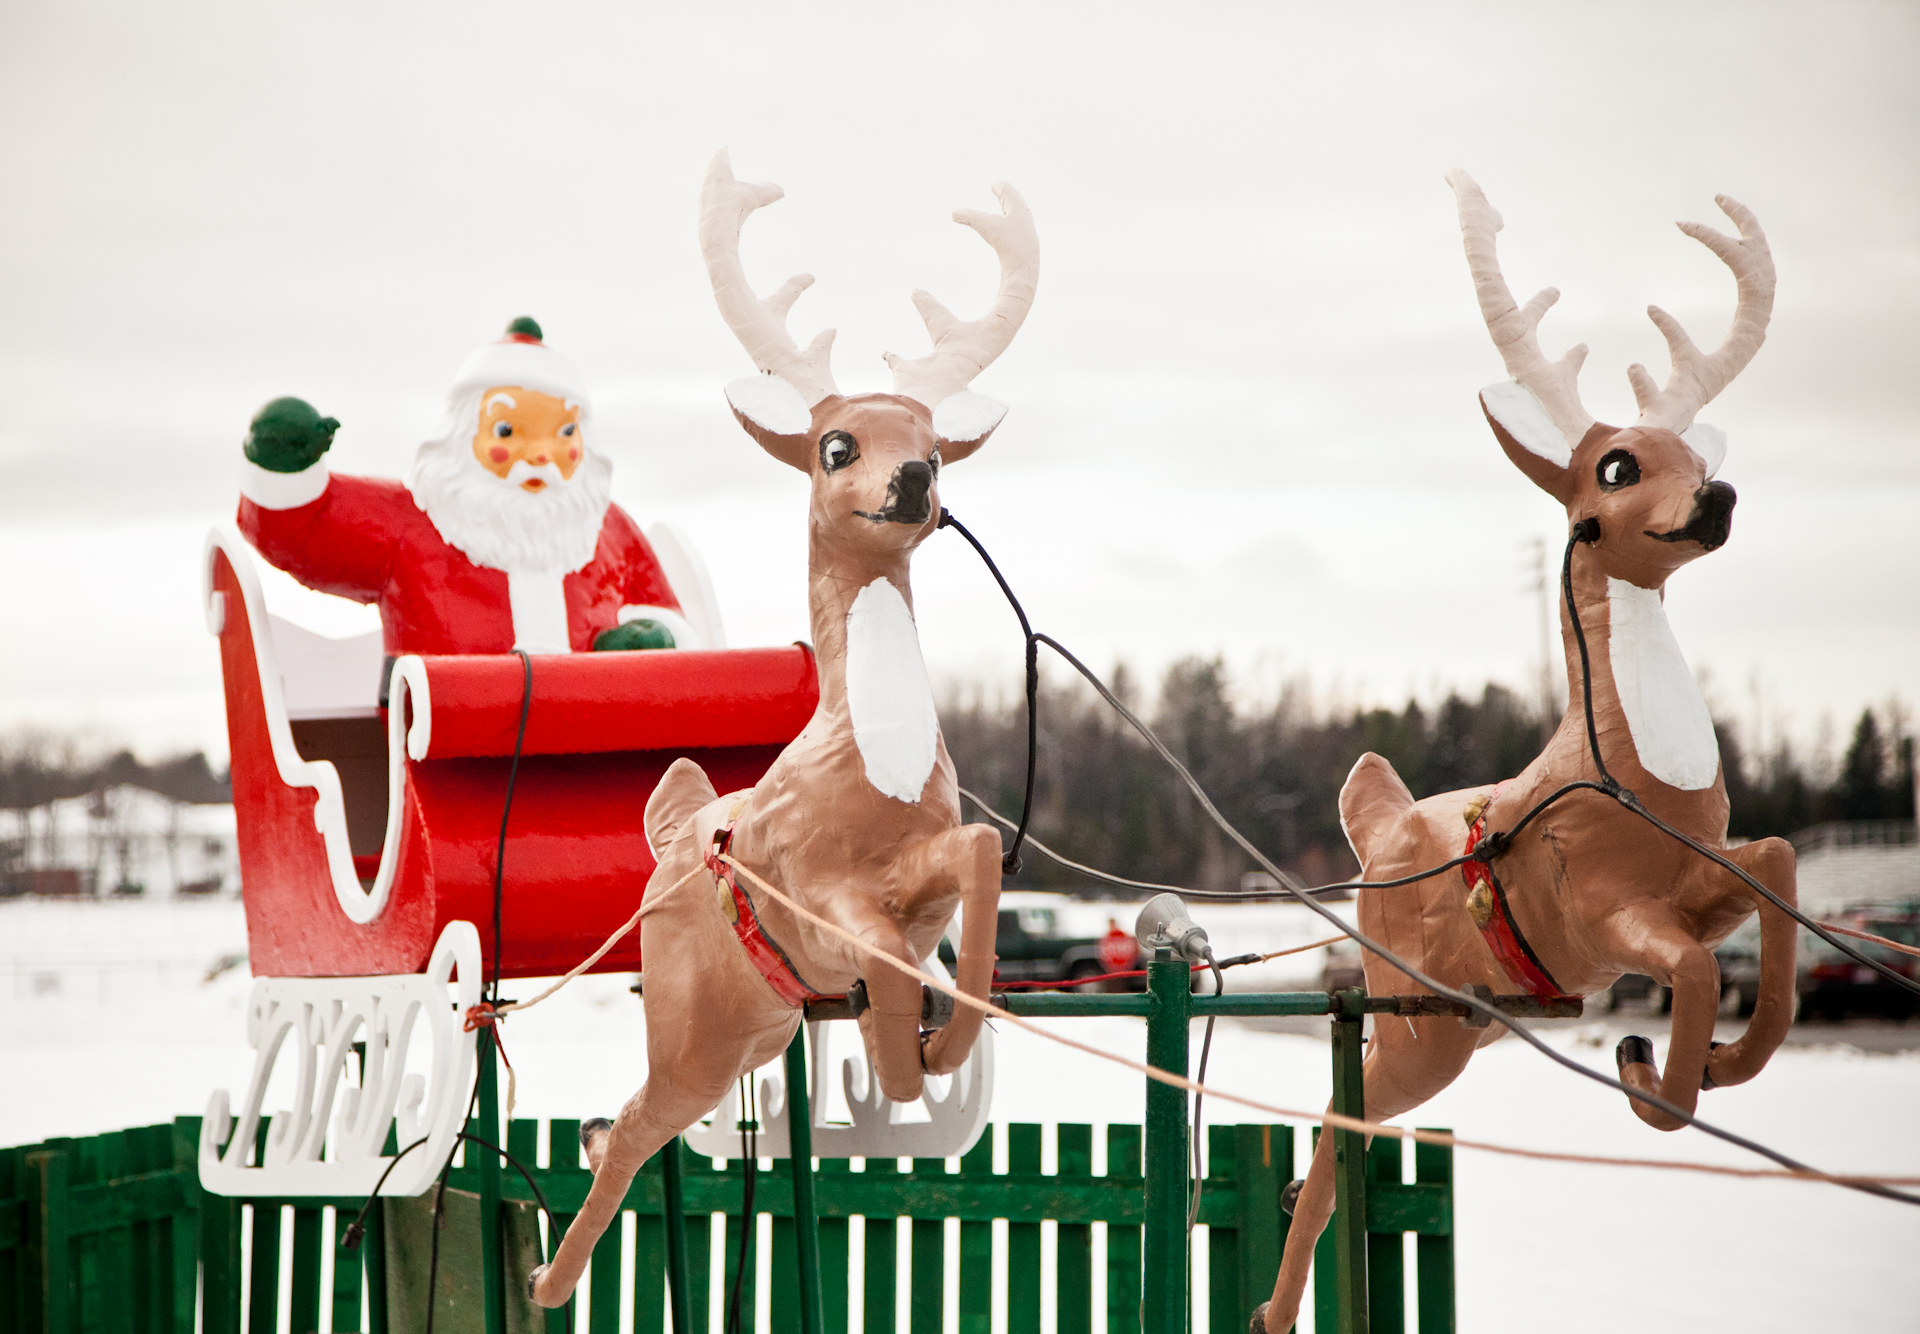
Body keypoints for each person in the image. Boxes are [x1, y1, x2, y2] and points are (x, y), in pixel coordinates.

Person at [236, 317, 694, 659]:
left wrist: (652, 636)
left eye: (563, 434)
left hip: (599, 762)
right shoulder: (412, 522)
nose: (540, 455)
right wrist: (282, 461)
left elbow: (663, 613)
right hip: (447, 763)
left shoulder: (606, 529)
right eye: (508, 432)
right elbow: (306, 533)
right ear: (463, 435)